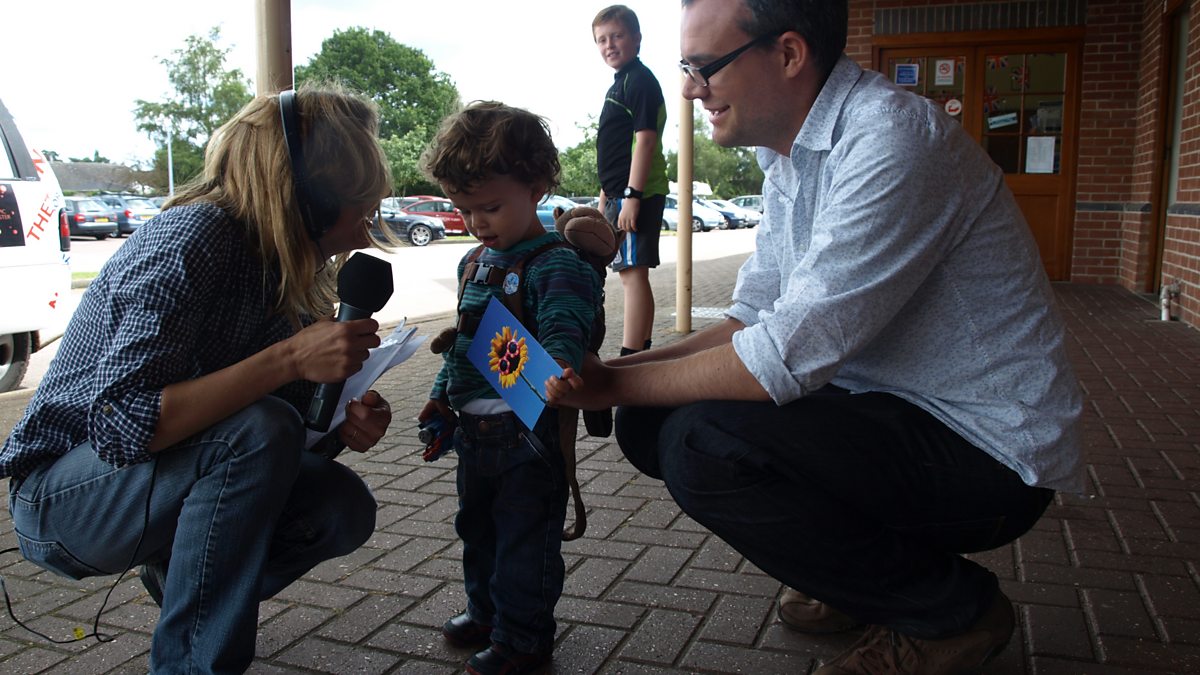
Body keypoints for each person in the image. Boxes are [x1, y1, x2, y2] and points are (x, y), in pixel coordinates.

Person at [547, 1, 1085, 673]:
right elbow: (749, 319)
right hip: (886, 412)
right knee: (646, 423)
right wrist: (614, 376)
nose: (688, 88)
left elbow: (782, 358)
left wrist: (609, 383)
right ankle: (855, 578)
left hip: (988, 452)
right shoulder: (790, 161)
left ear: (790, 54)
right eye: (685, 69)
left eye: (702, 67)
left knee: (702, 444)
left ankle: (951, 611)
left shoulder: (891, 141)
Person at [1, 83, 395, 673]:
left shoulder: (284, 269)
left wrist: (341, 421)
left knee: (339, 506)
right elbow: (118, 429)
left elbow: (274, 435)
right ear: (305, 199)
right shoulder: (192, 239)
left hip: (155, 481)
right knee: (256, 429)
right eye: (358, 211)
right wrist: (288, 360)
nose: (364, 236)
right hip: (62, 500)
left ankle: (182, 581)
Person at [418, 101, 603, 675]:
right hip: (474, 431)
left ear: (538, 184)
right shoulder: (474, 261)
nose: (477, 222)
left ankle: (523, 639)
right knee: (477, 529)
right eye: (463, 209)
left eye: (491, 207)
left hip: (528, 431)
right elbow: (465, 340)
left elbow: (566, 325)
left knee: (526, 541)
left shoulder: (554, 263)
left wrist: (562, 366)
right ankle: (487, 613)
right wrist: (439, 397)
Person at [593, 4, 670, 357]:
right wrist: (605, 196)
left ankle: (633, 355)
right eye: (602, 40)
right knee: (627, 273)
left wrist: (632, 195)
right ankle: (636, 350)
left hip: (636, 193)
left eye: (617, 36)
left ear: (637, 39)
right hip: (618, 194)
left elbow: (645, 139)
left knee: (633, 274)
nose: (609, 45)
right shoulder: (621, 82)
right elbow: (616, 147)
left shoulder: (639, 81)